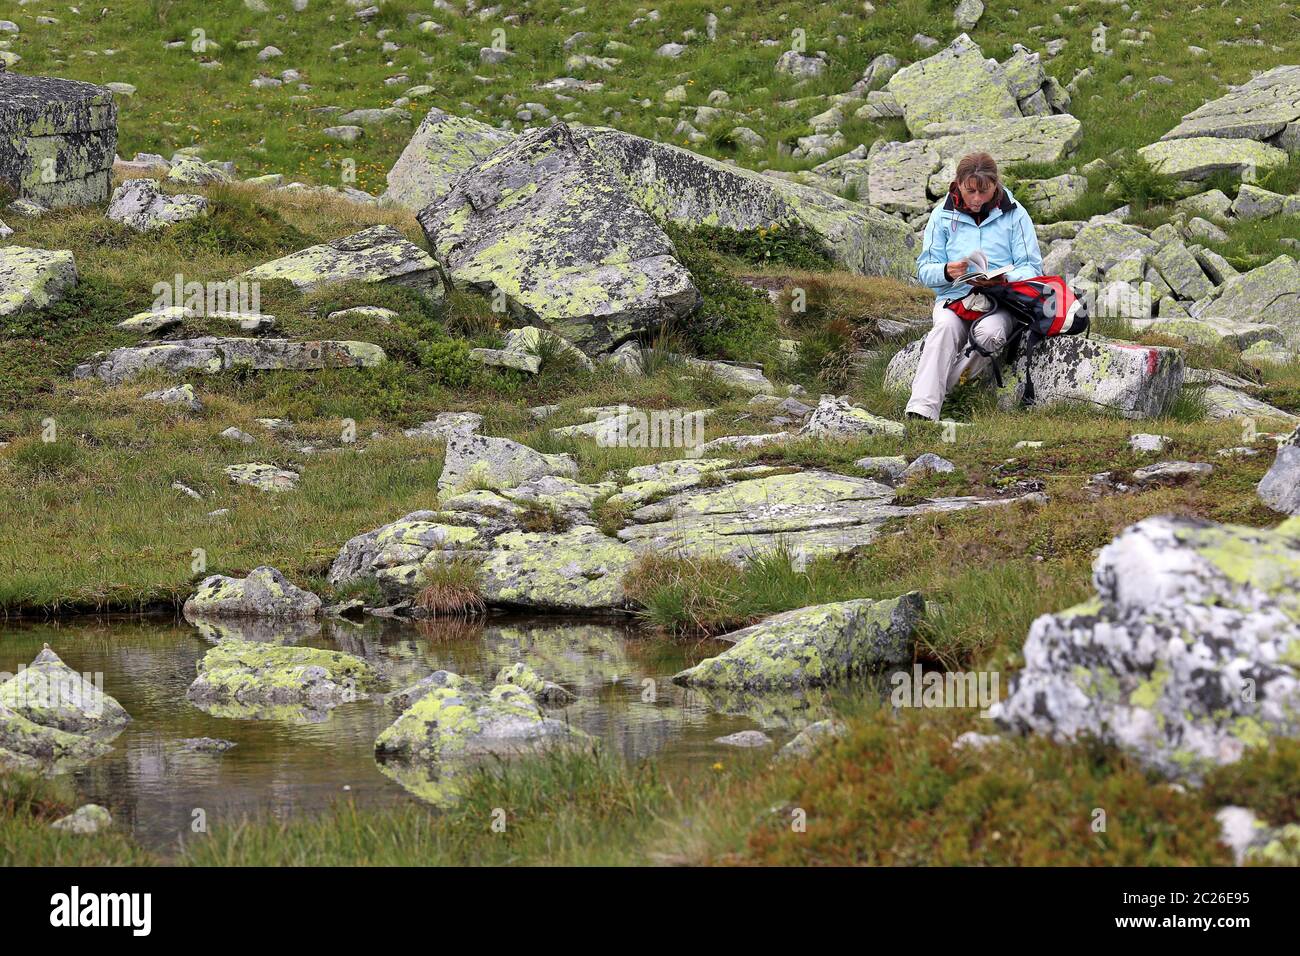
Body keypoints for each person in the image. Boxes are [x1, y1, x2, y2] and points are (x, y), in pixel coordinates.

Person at [906, 151, 1044, 422]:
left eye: (985, 190)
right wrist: (947, 271)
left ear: (996, 184)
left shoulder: (1015, 214)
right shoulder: (941, 216)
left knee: (990, 335)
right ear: (958, 184)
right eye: (970, 191)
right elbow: (924, 271)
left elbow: (1032, 267)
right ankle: (920, 412)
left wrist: (1004, 279)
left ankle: (945, 396)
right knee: (944, 328)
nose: (977, 198)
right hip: (955, 298)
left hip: (1001, 301)